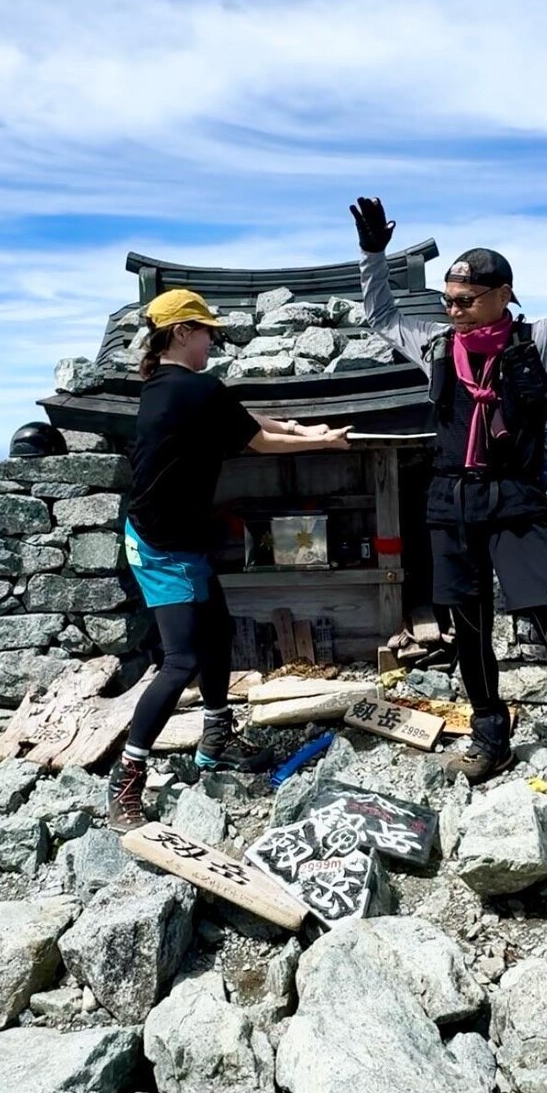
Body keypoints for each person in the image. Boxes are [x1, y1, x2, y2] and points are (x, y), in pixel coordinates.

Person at [350, 169, 547, 807]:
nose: (452, 312)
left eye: (464, 300)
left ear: (502, 294)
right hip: (448, 501)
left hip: (514, 500)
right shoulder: (436, 344)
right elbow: (379, 317)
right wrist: (372, 256)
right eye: (448, 301)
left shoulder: (541, 342)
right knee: (465, 626)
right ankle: (490, 734)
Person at [107, 287, 351, 832]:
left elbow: (240, 418)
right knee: (180, 662)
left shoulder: (169, 386)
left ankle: (215, 739)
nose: (214, 340)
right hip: (161, 547)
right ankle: (126, 779)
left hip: (177, 539)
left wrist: (295, 427)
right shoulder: (191, 389)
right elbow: (255, 441)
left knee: (216, 633)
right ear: (181, 333)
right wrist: (320, 442)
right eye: (207, 331)